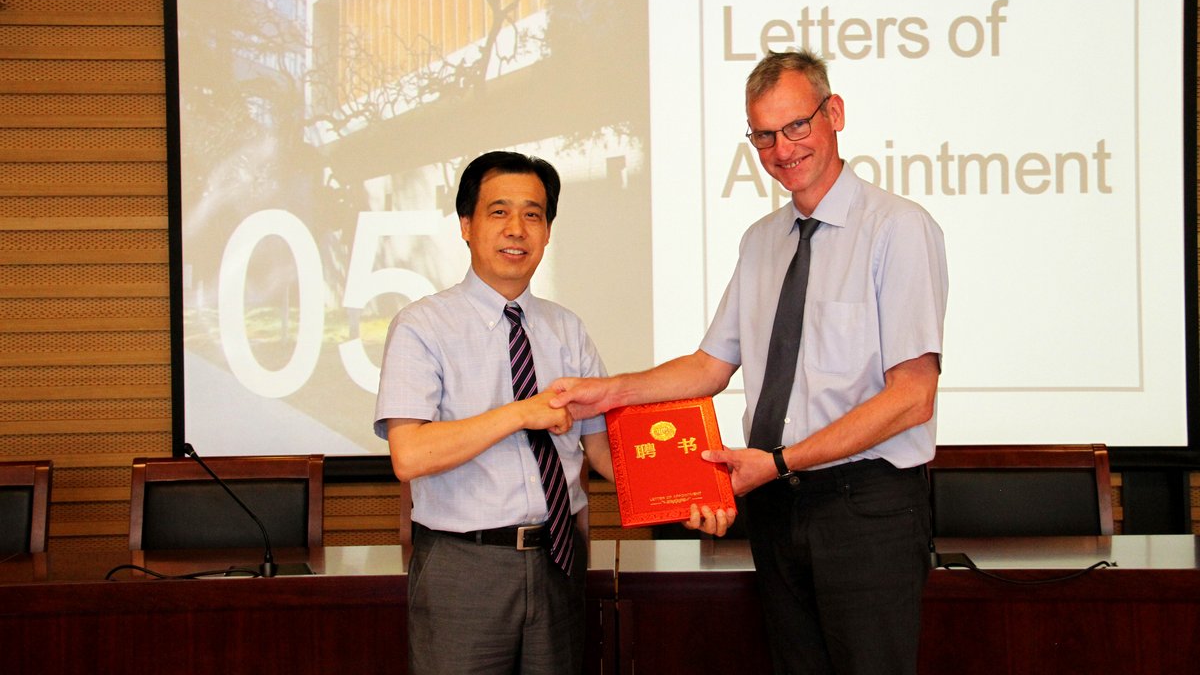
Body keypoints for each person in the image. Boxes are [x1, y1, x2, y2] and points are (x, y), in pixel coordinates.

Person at [552, 49, 949, 674]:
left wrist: (780, 462)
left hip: (864, 507)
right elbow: (710, 367)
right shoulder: (762, 241)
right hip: (775, 508)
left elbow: (912, 397)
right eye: (763, 135)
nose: (782, 149)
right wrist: (609, 392)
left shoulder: (897, 229)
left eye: (797, 126)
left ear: (834, 114)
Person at [373, 150, 615, 674]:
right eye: (499, 211)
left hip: (558, 559)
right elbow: (409, 455)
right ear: (466, 225)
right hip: (464, 566)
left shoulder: (566, 329)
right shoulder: (422, 326)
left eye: (533, 214)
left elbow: (602, 450)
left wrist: (687, 490)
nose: (517, 229)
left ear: (547, 233)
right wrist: (519, 414)